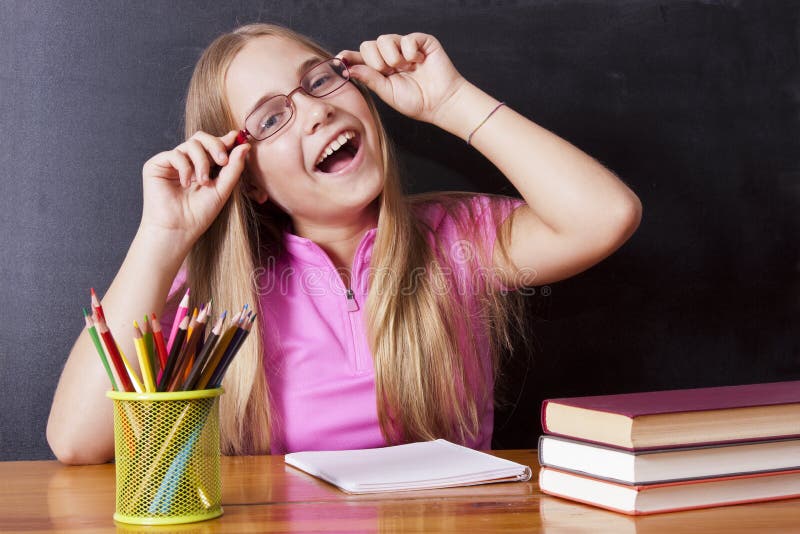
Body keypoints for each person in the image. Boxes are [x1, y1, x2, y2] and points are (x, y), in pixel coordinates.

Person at [47, 23, 641, 464]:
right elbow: (76, 441)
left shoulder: (457, 239)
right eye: (272, 118)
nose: (314, 112)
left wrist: (451, 102)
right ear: (248, 179)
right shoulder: (217, 294)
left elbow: (606, 216)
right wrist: (164, 236)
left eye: (320, 81)